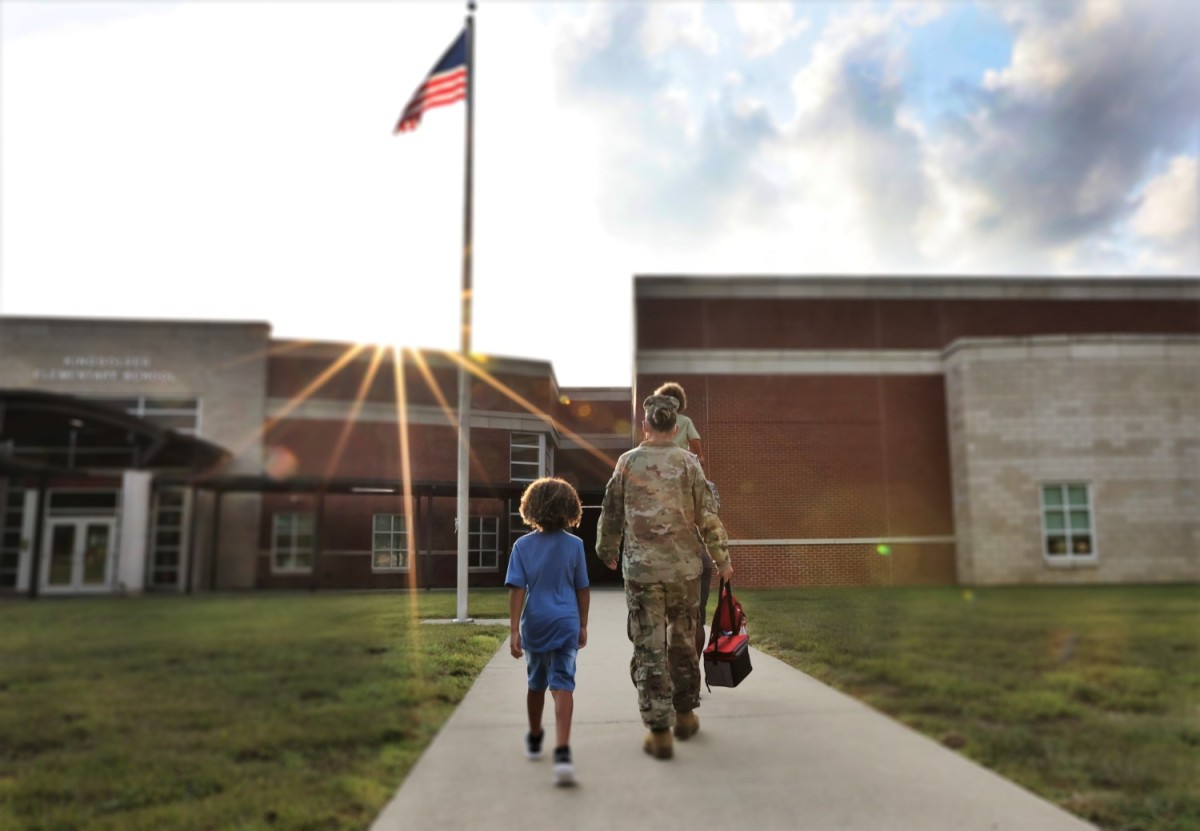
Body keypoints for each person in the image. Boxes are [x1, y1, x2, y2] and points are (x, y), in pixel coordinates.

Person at [597, 394, 733, 760]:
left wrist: (606, 550)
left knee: (649, 646)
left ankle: (659, 732)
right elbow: (708, 514)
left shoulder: (627, 462)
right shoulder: (689, 463)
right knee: (683, 640)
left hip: (641, 572)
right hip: (684, 570)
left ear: (645, 426)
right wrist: (722, 560)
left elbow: (611, 512)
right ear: (675, 429)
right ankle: (686, 715)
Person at [505, 477, 590, 786]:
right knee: (564, 683)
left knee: (536, 684)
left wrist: (514, 630)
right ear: (569, 507)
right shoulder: (576, 545)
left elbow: (517, 589)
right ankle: (563, 753)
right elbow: (582, 588)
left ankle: (536, 735)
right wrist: (582, 623)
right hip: (566, 621)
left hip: (536, 623)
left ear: (532, 508)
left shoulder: (522, 546)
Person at [654, 381, 716, 659]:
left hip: (659, 552)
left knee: (662, 617)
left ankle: (666, 673)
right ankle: (692, 673)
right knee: (695, 616)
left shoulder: (643, 466)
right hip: (693, 551)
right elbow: (711, 520)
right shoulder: (693, 471)